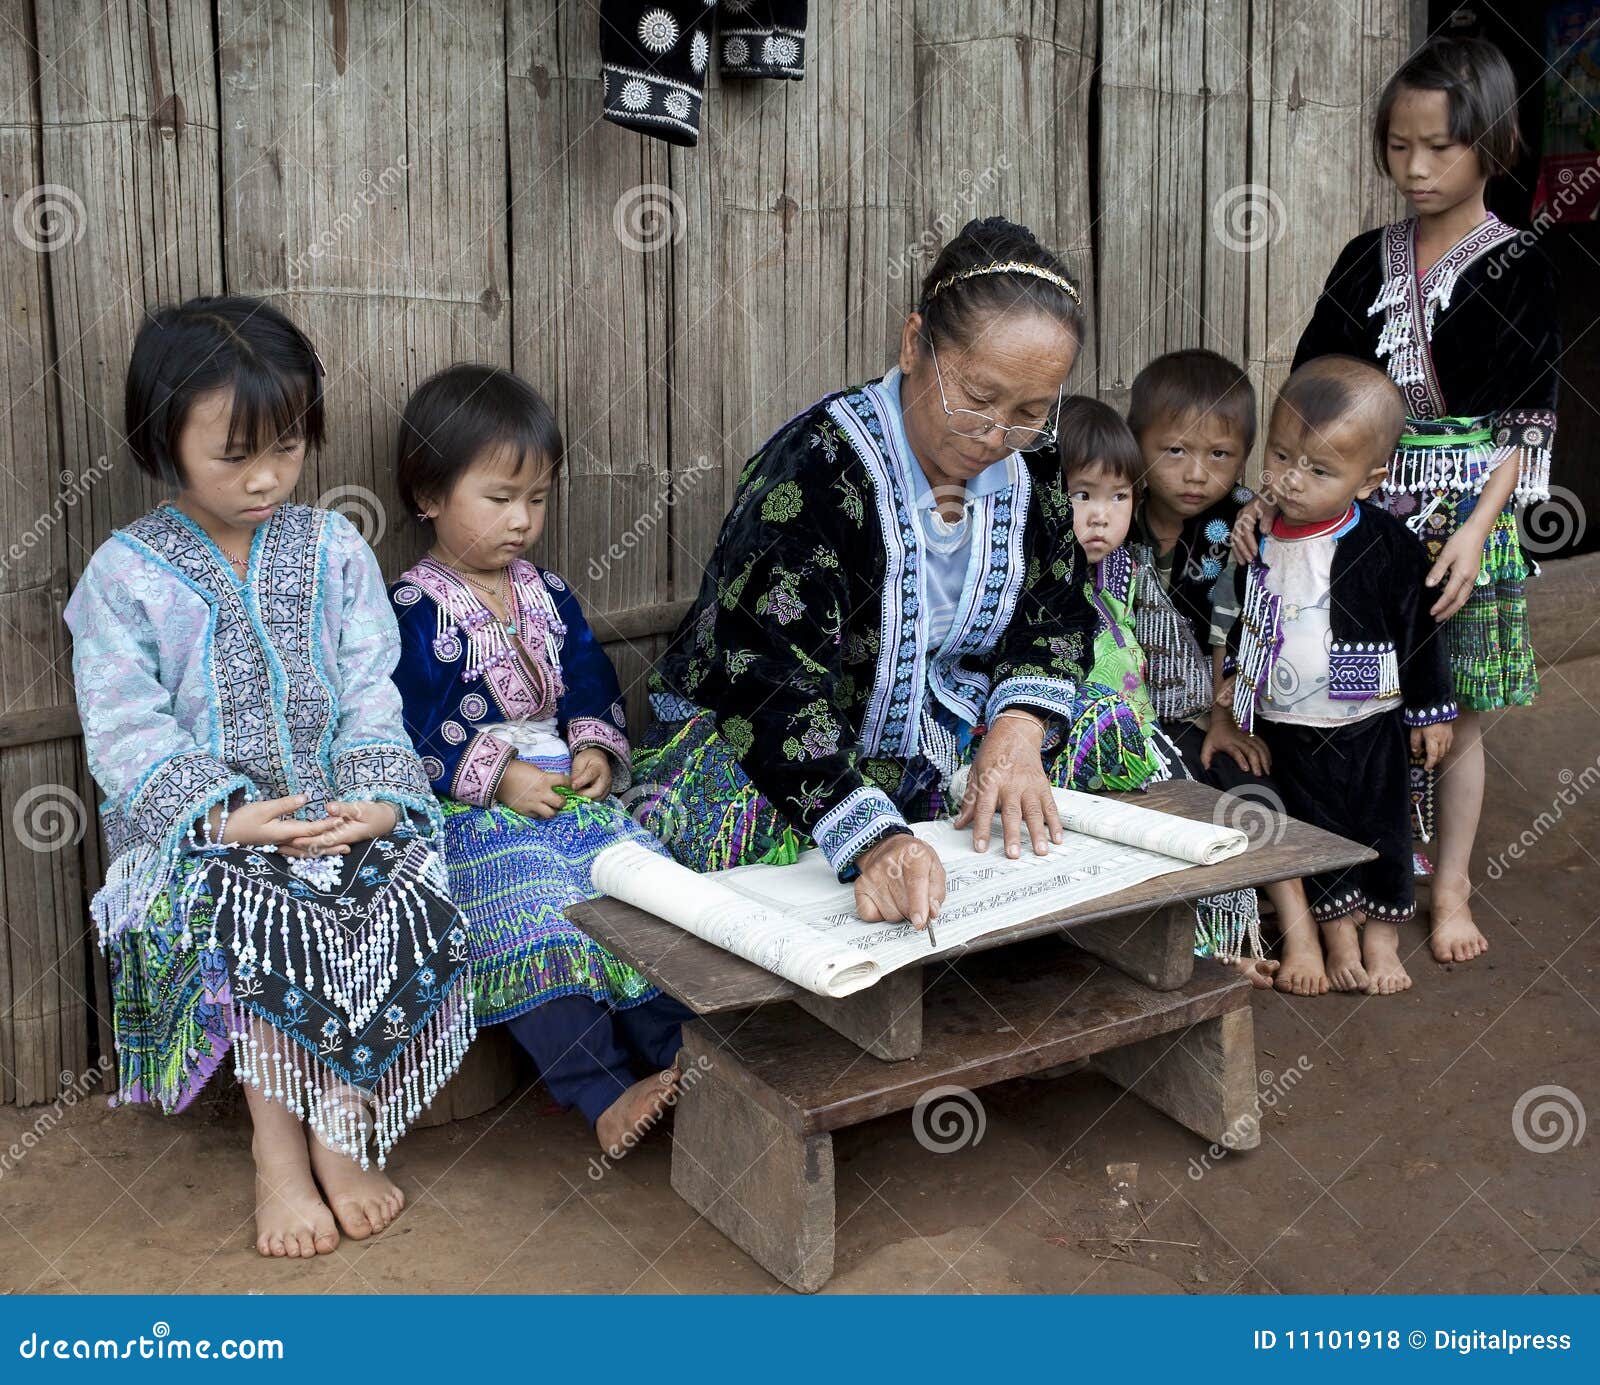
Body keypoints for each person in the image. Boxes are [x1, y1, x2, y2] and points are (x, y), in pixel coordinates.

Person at [64, 296, 473, 1259]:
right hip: (204, 838)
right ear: (162, 443)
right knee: (254, 906)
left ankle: (339, 1125)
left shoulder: (333, 548)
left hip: (337, 809)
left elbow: (373, 689)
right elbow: (122, 730)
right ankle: (277, 1154)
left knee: (401, 877)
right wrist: (227, 818)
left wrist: (379, 799)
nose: (265, 477)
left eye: (285, 448)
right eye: (234, 454)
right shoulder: (124, 576)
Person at [632, 216, 1112, 915]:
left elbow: (1059, 612)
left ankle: (1064, 951)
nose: (997, 435)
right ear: (914, 343)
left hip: (949, 723)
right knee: (733, 821)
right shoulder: (816, 473)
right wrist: (873, 837)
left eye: (1030, 410)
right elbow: (767, 680)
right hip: (775, 728)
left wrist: (1018, 730)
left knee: (1107, 729)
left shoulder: (1030, 464)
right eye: (978, 398)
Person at [1235, 36, 1558, 966]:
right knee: (1360, 702)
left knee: (1448, 714)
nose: (1414, 169)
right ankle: (1368, 871)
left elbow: (1521, 425)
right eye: (1397, 146)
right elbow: (1310, 393)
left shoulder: (1522, 264)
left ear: (1491, 144)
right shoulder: (1361, 259)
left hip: (1464, 515)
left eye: (1440, 147)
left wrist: (1475, 535)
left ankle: (1448, 887)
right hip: (1357, 518)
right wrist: (1278, 492)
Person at [387, 364, 691, 1159]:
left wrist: (593, 746)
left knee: (638, 888)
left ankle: (685, 1057)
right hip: (476, 816)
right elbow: (405, 726)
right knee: (537, 909)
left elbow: (588, 677)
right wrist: (498, 777)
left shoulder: (548, 592)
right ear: (428, 495)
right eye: (499, 498)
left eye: (537, 498)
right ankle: (602, 1090)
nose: (522, 520)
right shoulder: (409, 610)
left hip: (569, 793)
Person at [1227, 359, 1456, 994]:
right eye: (1280, 457)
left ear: (1368, 480)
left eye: (1320, 470)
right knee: (1313, 825)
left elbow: (1419, 630)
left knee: (1382, 823)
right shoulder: (1257, 534)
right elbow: (1239, 615)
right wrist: (1233, 685)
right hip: (1286, 720)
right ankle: (1335, 935)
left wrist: (1430, 713)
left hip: (1368, 715)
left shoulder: (1387, 543)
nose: (1292, 481)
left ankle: (1381, 937)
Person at [1125, 351, 1327, 995]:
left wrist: (1223, 717)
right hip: (1130, 713)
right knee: (1177, 806)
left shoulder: (1241, 524)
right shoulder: (1109, 512)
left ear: (1244, 459)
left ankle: (1298, 930)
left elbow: (1248, 624)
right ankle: (1213, 942)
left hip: (1216, 705)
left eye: (1220, 456)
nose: (1195, 474)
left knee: (1246, 784)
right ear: (1137, 444)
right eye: (1176, 450)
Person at [1058, 397, 1267, 976]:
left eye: (1118, 497)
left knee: (1193, 824)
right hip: (1060, 755)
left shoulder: (1129, 570)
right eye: (1082, 496)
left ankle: (1215, 949)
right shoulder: (1035, 579)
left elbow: (1171, 656)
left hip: (1139, 743)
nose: (1100, 516)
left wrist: (1209, 713)